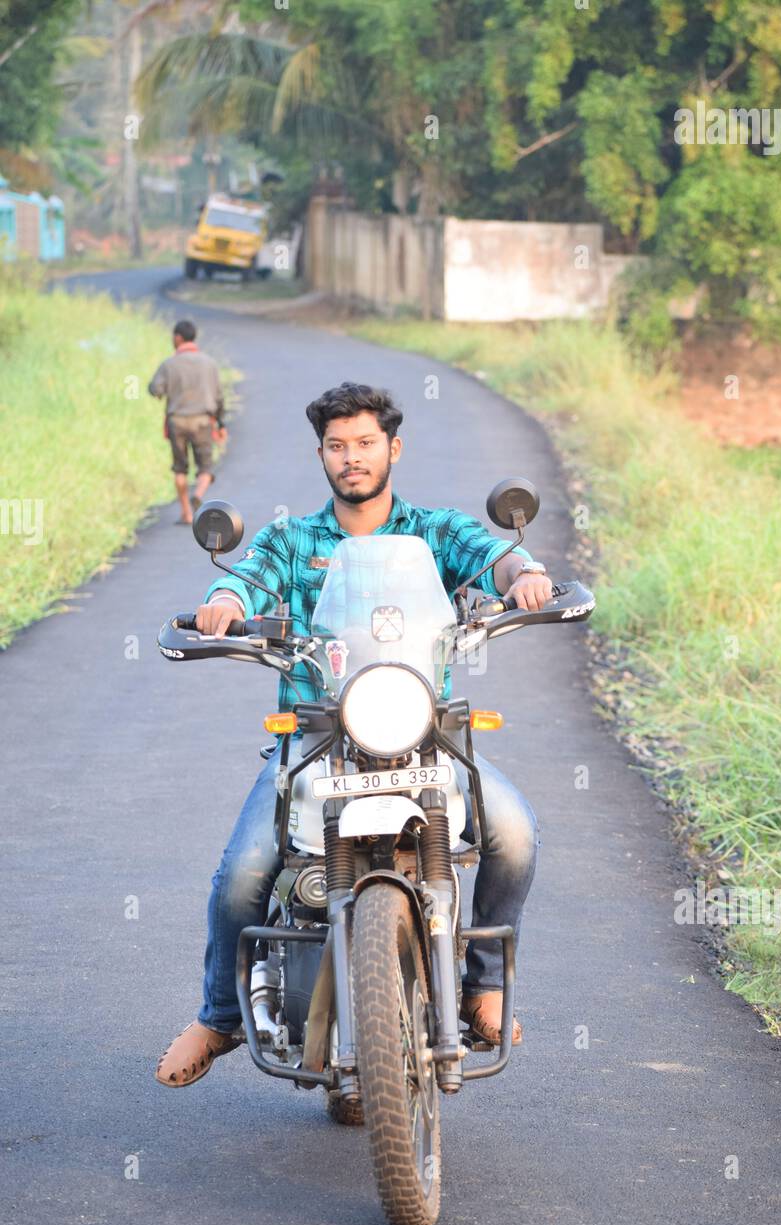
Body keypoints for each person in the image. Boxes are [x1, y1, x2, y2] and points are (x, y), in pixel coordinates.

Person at [155, 382, 553, 1088]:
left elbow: (496, 557)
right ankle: (218, 1017)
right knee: (241, 876)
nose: (352, 458)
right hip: (313, 742)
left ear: (393, 448)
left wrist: (526, 575)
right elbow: (248, 580)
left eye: (366, 442)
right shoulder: (292, 538)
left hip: (426, 736)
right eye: (337, 446)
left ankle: (485, 985)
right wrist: (223, 602)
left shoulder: (435, 530)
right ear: (322, 457)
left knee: (515, 833)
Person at [148, 319, 226, 525]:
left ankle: (186, 513)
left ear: (177, 338)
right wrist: (221, 424)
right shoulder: (209, 363)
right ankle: (198, 493)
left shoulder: (169, 364)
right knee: (206, 468)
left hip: (177, 422)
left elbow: (155, 389)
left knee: (180, 469)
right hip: (202, 421)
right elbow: (219, 397)